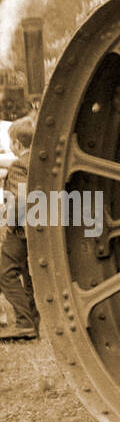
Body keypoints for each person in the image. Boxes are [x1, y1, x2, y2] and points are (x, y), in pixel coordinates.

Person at [0, 114, 40, 341]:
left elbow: (19, 200)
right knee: (30, 276)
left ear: (16, 144)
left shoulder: (18, 165)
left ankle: (25, 323)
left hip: (20, 230)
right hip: (38, 228)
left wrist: (8, 223)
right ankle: (33, 321)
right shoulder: (37, 162)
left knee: (5, 273)